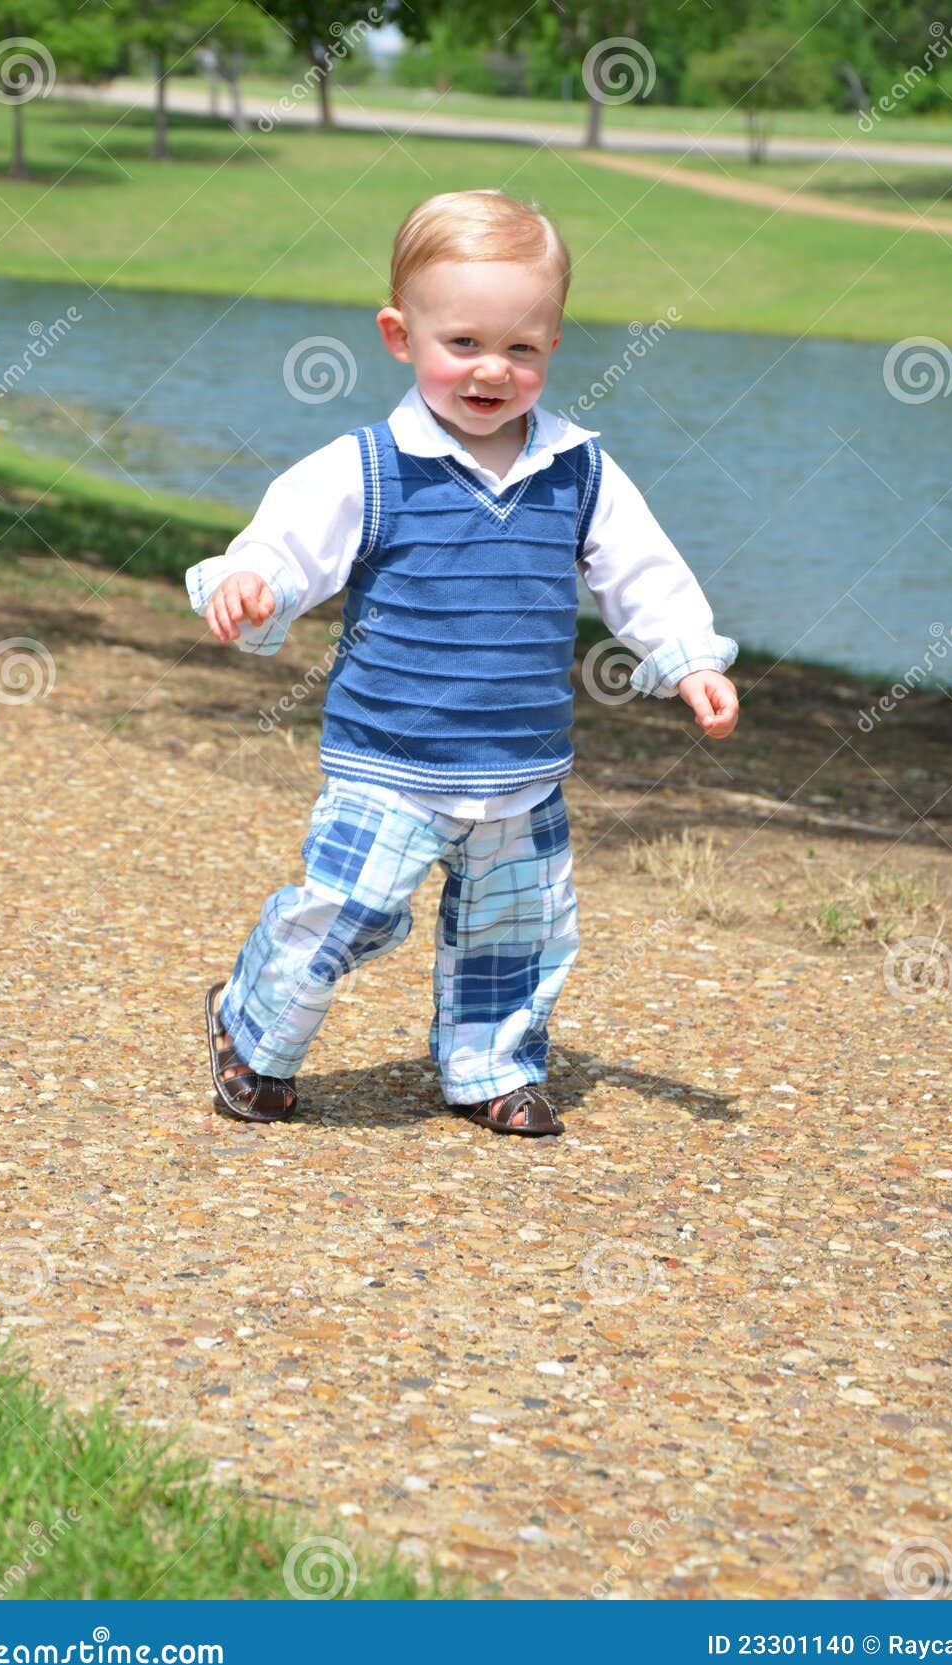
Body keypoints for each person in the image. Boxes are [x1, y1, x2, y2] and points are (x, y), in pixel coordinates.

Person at [185, 189, 739, 1138]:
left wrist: (687, 657)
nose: (492, 369)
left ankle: (491, 1069)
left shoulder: (580, 469)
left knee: (515, 930)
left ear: (553, 344)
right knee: (348, 910)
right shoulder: (367, 466)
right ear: (400, 337)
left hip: (522, 767)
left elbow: (641, 572)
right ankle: (252, 1029)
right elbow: (290, 541)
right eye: (464, 342)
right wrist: (255, 580)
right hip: (387, 759)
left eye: (521, 348)